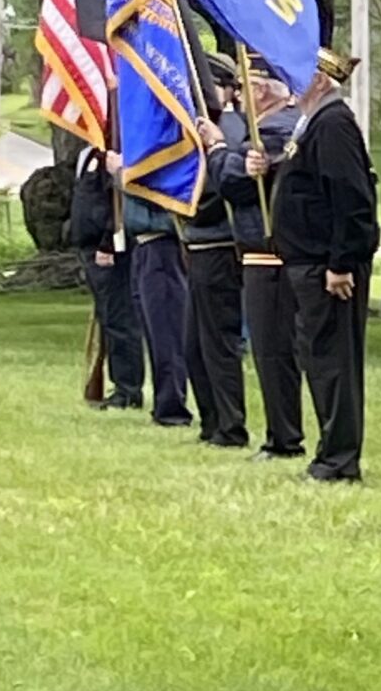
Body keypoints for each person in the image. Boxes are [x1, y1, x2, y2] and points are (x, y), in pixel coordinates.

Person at [262, 43, 380, 484]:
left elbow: (349, 197)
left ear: (319, 79)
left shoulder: (333, 124)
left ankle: (340, 458)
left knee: (334, 362)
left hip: (325, 267)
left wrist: (341, 263)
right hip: (305, 261)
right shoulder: (312, 122)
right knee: (318, 357)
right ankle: (329, 450)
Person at [206, 61, 305, 458]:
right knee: (269, 349)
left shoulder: (275, 129)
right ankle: (280, 433)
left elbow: (233, 181)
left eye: (247, 88)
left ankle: (285, 438)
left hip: (271, 254)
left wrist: (216, 148)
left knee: (274, 350)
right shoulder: (268, 128)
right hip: (261, 252)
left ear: (261, 91)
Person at [181, 52, 248, 449]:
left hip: (221, 242)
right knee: (194, 343)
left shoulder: (232, 129)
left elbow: (222, 186)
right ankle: (212, 422)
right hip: (200, 243)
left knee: (218, 342)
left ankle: (231, 425)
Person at [68, 141, 144, 409]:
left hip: (108, 250)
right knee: (107, 317)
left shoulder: (111, 151)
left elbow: (116, 202)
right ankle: (119, 383)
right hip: (87, 247)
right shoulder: (87, 153)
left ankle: (128, 389)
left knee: (119, 319)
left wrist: (109, 242)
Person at [113, 173, 191, 427]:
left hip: (162, 242)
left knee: (166, 329)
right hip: (143, 245)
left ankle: (172, 408)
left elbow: (160, 190)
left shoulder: (160, 156)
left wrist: (121, 172)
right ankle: (163, 402)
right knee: (154, 330)